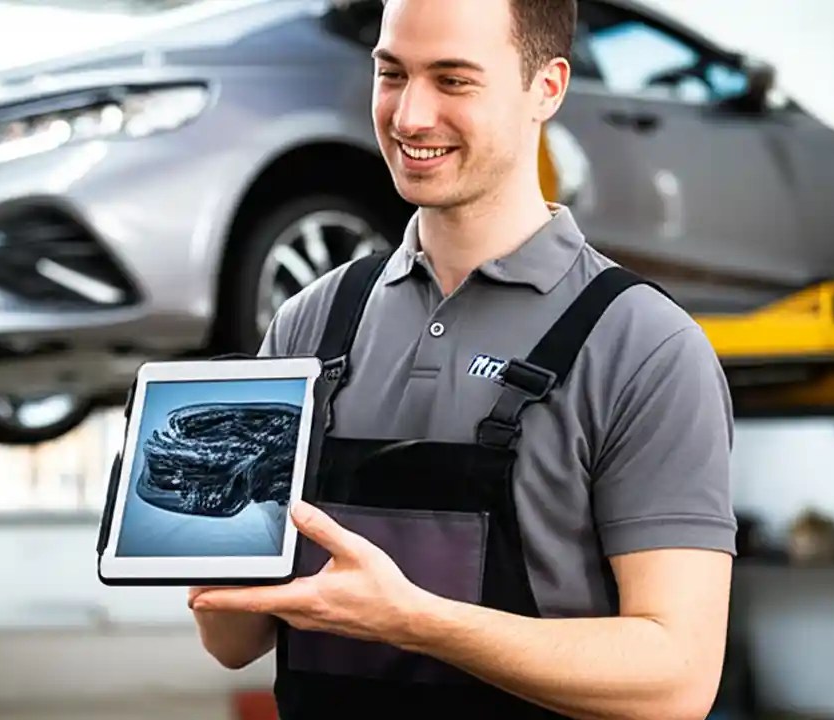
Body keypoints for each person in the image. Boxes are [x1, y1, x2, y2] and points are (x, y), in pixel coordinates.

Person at [187, 1, 736, 719]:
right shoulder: (309, 324)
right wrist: (195, 527)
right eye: (392, 74)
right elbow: (233, 642)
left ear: (547, 87)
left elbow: (676, 680)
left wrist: (414, 621)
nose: (411, 116)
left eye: (453, 81)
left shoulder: (643, 347)